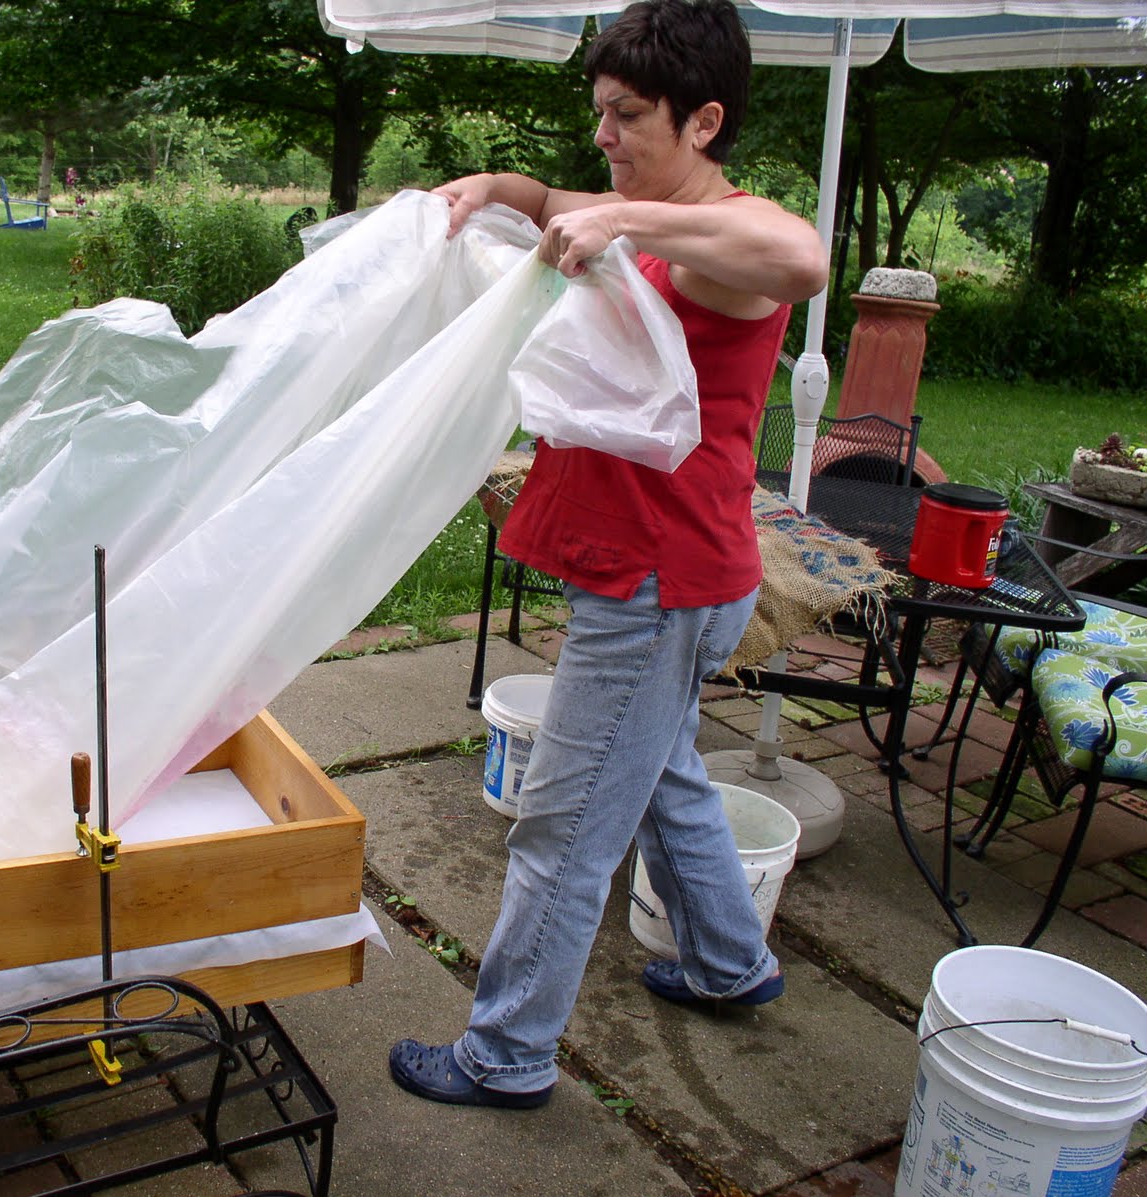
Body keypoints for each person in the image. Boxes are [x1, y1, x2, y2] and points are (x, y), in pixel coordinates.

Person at [388, 0, 829, 1110]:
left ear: (704, 120)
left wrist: (624, 218)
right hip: (671, 578)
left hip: (660, 580)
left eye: (627, 116)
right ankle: (732, 963)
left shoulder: (724, 237)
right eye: (599, 113)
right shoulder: (647, 205)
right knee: (666, 775)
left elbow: (804, 258)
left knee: (565, 827)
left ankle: (507, 1052)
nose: (604, 136)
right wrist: (490, 187)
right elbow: (555, 204)